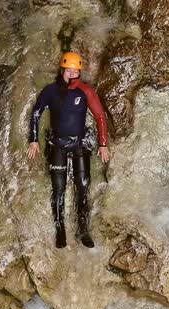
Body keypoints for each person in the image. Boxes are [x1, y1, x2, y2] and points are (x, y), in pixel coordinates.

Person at [27, 51, 110, 249]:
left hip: (80, 143)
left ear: (80, 70)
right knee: (59, 189)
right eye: (69, 68)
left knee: (82, 186)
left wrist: (103, 143)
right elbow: (37, 112)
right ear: (62, 68)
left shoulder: (86, 91)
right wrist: (34, 140)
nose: (72, 72)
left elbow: (99, 116)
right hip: (57, 143)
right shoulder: (51, 91)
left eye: (76, 69)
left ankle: (83, 229)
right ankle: (60, 229)